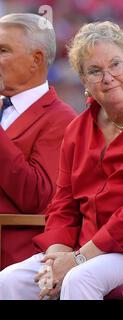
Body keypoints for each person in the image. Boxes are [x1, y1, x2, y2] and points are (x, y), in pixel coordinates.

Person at [0, 21, 123, 300]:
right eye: (94, 71)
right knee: (10, 280)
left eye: (116, 65)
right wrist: (56, 254)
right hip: (88, 247)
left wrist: (78, 259)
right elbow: (63, 202)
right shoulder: (78, 128)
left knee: (80, 279)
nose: (107, 77)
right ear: (84, 82)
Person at [0, 13, 76, 269]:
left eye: (3, 50)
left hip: (13, 254)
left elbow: (38, 198)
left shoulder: (61, 119)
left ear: (36, 59)